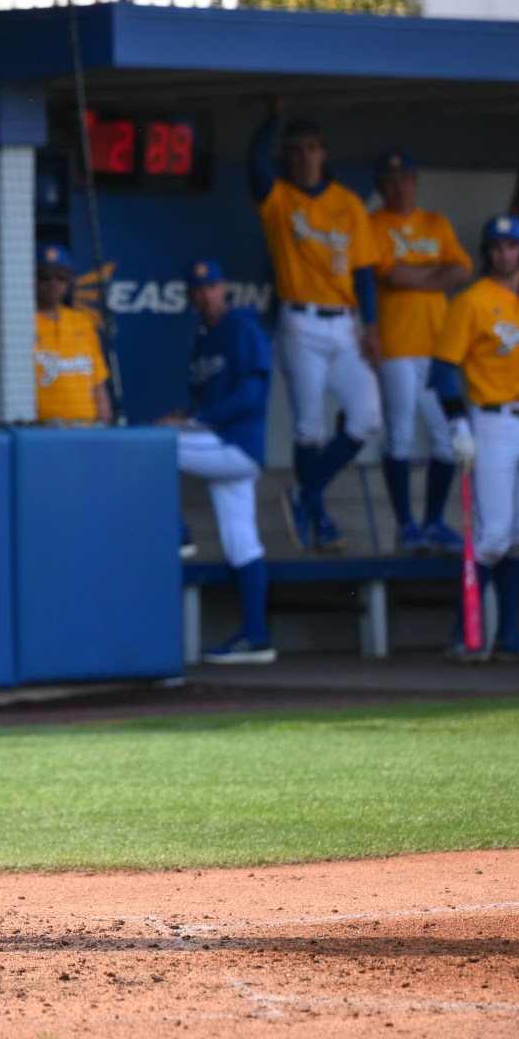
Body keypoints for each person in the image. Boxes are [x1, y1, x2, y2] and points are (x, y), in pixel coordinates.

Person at [247, 99, 382, 552]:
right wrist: (271, 121)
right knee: (310, 428)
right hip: (300, 321)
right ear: (287, 156)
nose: (304, 156)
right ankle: (318, 516)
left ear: (324, 152)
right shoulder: (279, 200)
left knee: (367, 418)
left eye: (312, 148)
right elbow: (252, 162)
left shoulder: (347, 202)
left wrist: (372, 326)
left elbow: (363, 270)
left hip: (345, 325)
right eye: (296, 149)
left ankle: (306, 494)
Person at [429, 216, 519, 662]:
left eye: (511, 247)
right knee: (492, 537)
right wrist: (458, 424)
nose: (503, 254)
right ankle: (465, 632)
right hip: (494, 422)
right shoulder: (472, 301)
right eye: (496, 247)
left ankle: (508, 635)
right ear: (486, 252)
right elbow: (441, 368)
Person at [159, 261, 276, 664]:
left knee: (156, 445)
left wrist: (190, 421)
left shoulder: (242, 329)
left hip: (237, 444)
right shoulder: (203, 338)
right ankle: (257, 638)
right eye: (197, 288)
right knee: (241, 542)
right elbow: (206, 401)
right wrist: (190, 415)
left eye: (211, 286)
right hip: (221, 441)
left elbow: (249, 397)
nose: (204, 294)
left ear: (224, 288)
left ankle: (179, 534)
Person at [368, 152, 471, 553]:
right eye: (391, 180)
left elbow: (462, 270)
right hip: (395, 344)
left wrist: (417, 274)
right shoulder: (375, 223)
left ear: (415, 181)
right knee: (401, 435)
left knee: (447, 437)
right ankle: (405, 525)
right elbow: (392, 275)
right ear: (381, 186)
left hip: (437, 346)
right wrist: (435, 272)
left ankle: (432, 523)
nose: (400, 186)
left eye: (406, 178)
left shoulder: (436, 223)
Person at [32, 243, 111, 425]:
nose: (53, 283)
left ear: (69, 281)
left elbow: (98, 382)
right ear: (34, 280)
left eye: (60, 276)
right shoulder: (21, 325)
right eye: (45, 276)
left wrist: (106, 425)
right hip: (41, 430)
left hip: (85, 428)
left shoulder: (82, 322)